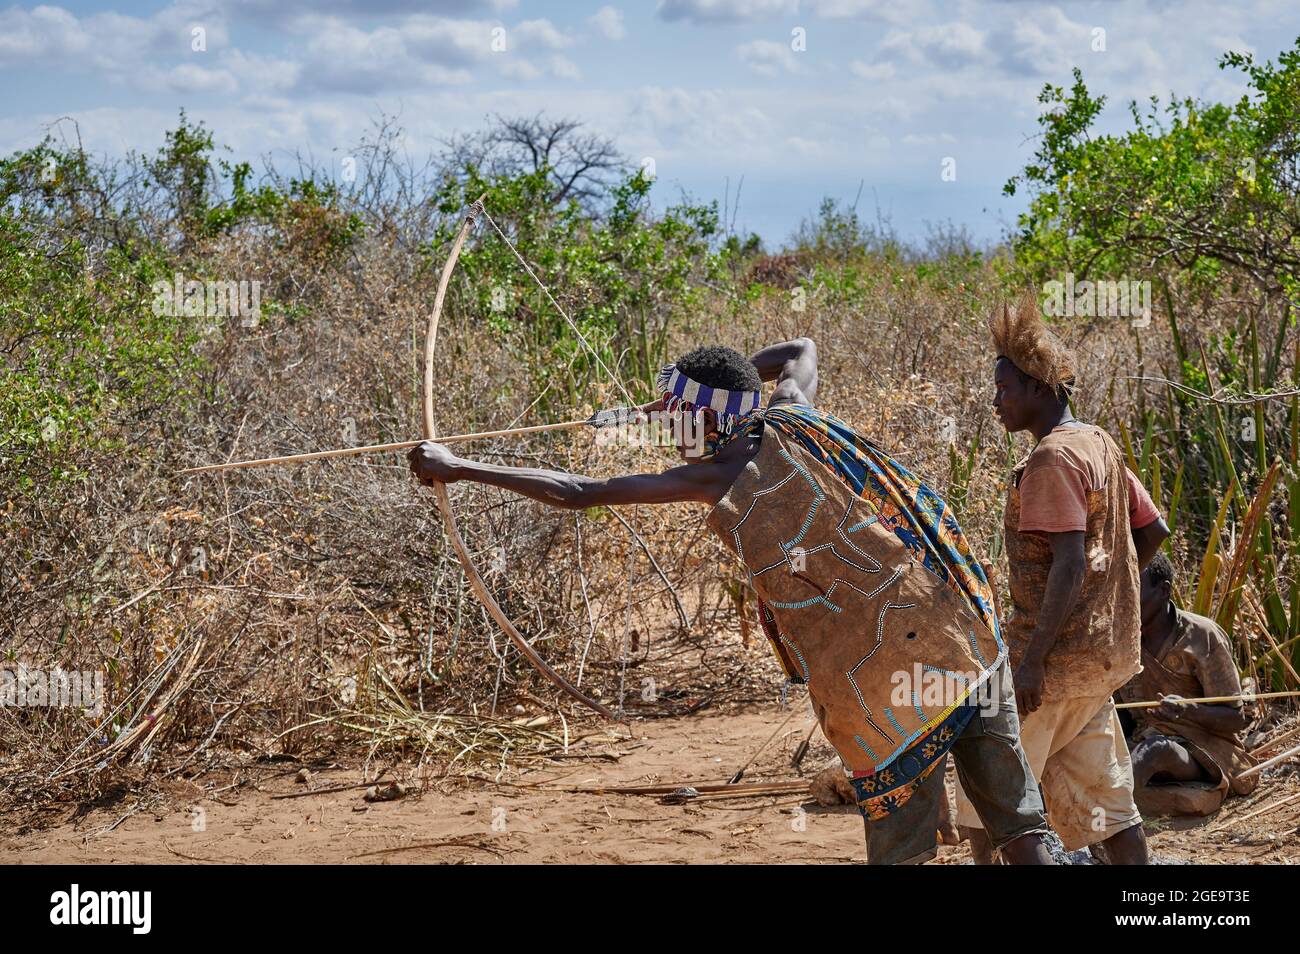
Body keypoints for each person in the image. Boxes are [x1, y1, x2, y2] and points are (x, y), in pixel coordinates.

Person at [409, 338, 1054, 864]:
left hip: (888, 681)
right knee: (1020, 828)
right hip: (961, 631)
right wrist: (724, 387)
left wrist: (460, 467)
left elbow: (582, 490)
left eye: (682, 418)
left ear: (714, 419)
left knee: (903, 853)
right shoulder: (788, 405)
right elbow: (800, 348)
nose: (672, 431)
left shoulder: (718, 473)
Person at [957, 296, 1170, 865]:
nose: (996, 402)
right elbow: (1150, 533)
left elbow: (1070, 564)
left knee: (992, 801)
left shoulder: (1051, 461)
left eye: (1004, 390)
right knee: (1107, 803)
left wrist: (1032, 661)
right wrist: (1105, 601)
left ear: (1038, 390)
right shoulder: (1099, 443)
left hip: (1044, 670)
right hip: (1096, 664)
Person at [1117, 554, 1258, 817]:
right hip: (1141, 739)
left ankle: (1110, 816)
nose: (1125, 598)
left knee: (1155, 751)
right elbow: (1121, 714)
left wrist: (1187, 710)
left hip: (1202, 749)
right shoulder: (1122, 641)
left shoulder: (1202, 636)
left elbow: (1235, 718)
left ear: (1164, 591)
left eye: (1134, 588)